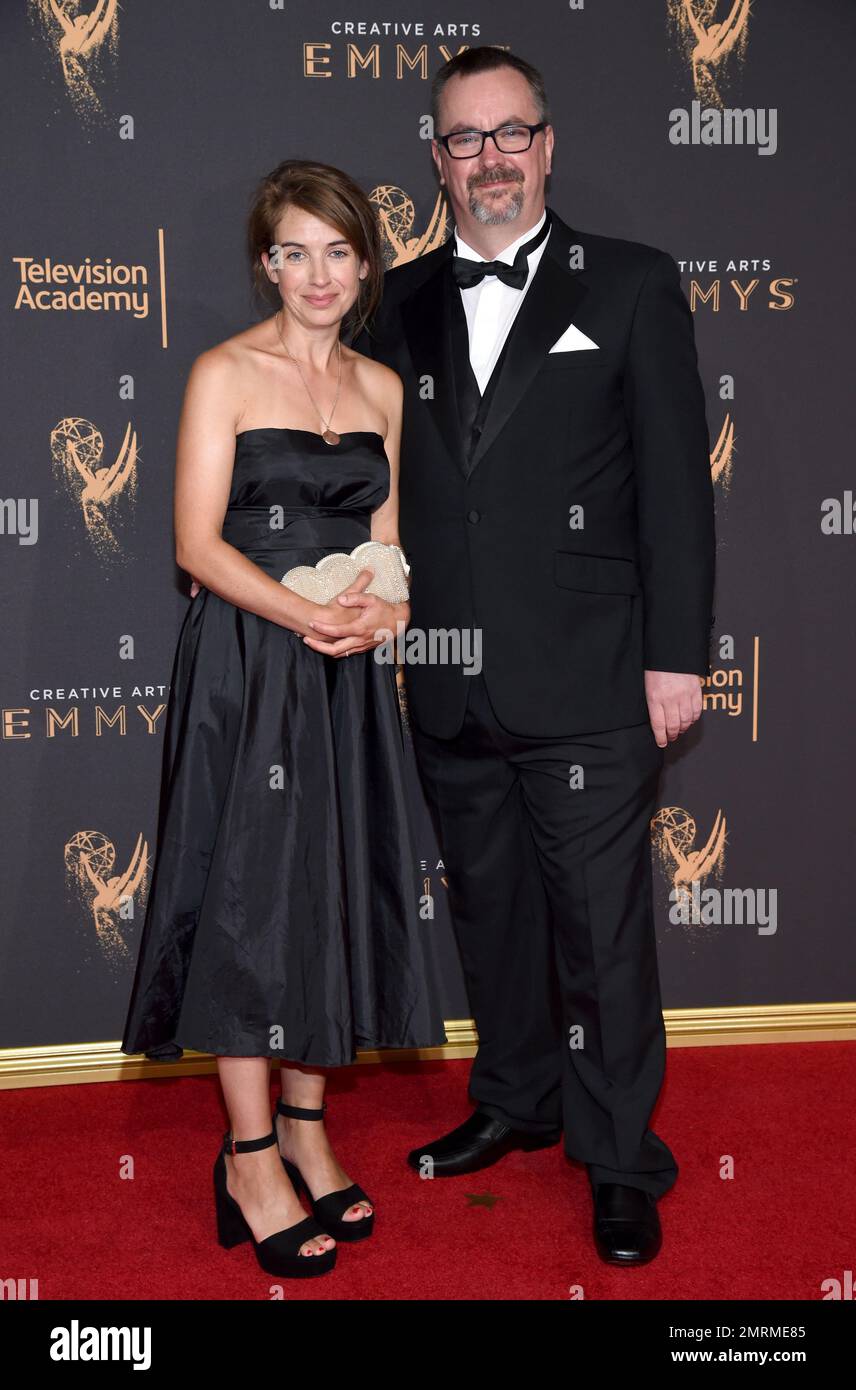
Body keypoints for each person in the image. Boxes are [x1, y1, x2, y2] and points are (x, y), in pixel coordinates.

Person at [344, 46, 716, 1265]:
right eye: (465, 137)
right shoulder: (391, 301)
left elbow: (676, 489)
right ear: (435, 155)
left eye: (512, 133)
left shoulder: (630, 285)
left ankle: (619, 1159)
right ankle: (515, 1098)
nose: (491, 157)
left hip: (596, 675)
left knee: (601, 930)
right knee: (493, 913)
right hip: (448, 676)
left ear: (547, 145)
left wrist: (676, 656)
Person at [121, 159, 446, 1279]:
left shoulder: (380, 390)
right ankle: (250, 1156)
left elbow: (391, 544)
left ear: (366, 261)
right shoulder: (225, 372)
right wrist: (303, 614)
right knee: (253, 898)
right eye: (293, 252)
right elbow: (196, 546)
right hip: (251, 662)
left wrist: (385, 612)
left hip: (345, 670)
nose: (317, 274)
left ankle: (309, 1128)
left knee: (332, 888)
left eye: (337, 251)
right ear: (267, 262)